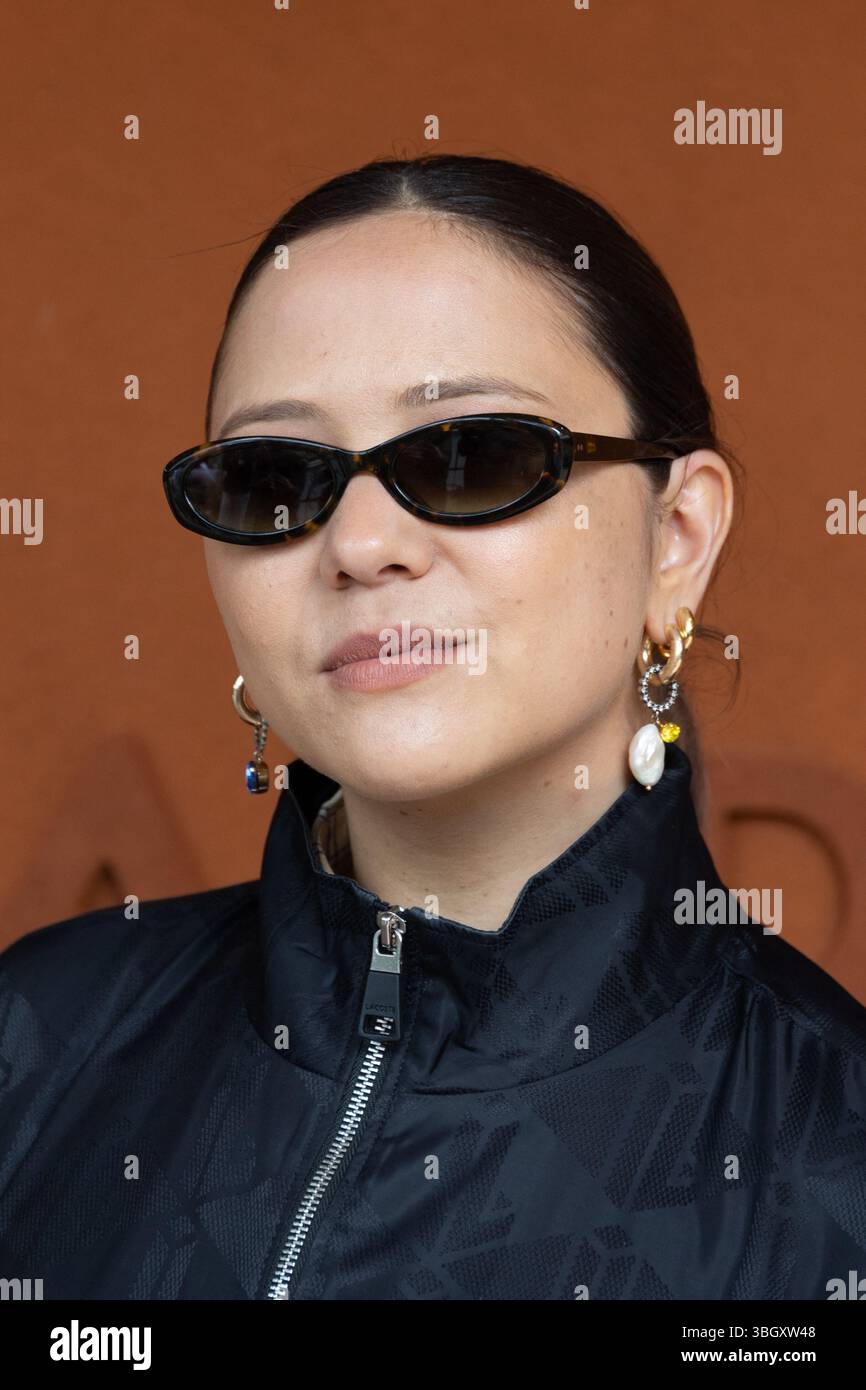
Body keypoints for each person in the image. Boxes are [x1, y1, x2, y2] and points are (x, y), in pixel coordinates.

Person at [1, 154, 864, 1301]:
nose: (361, 544)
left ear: (677, 535)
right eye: (273, 477)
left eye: (468, 456)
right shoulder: (39, 1037)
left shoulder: (830, 1160)